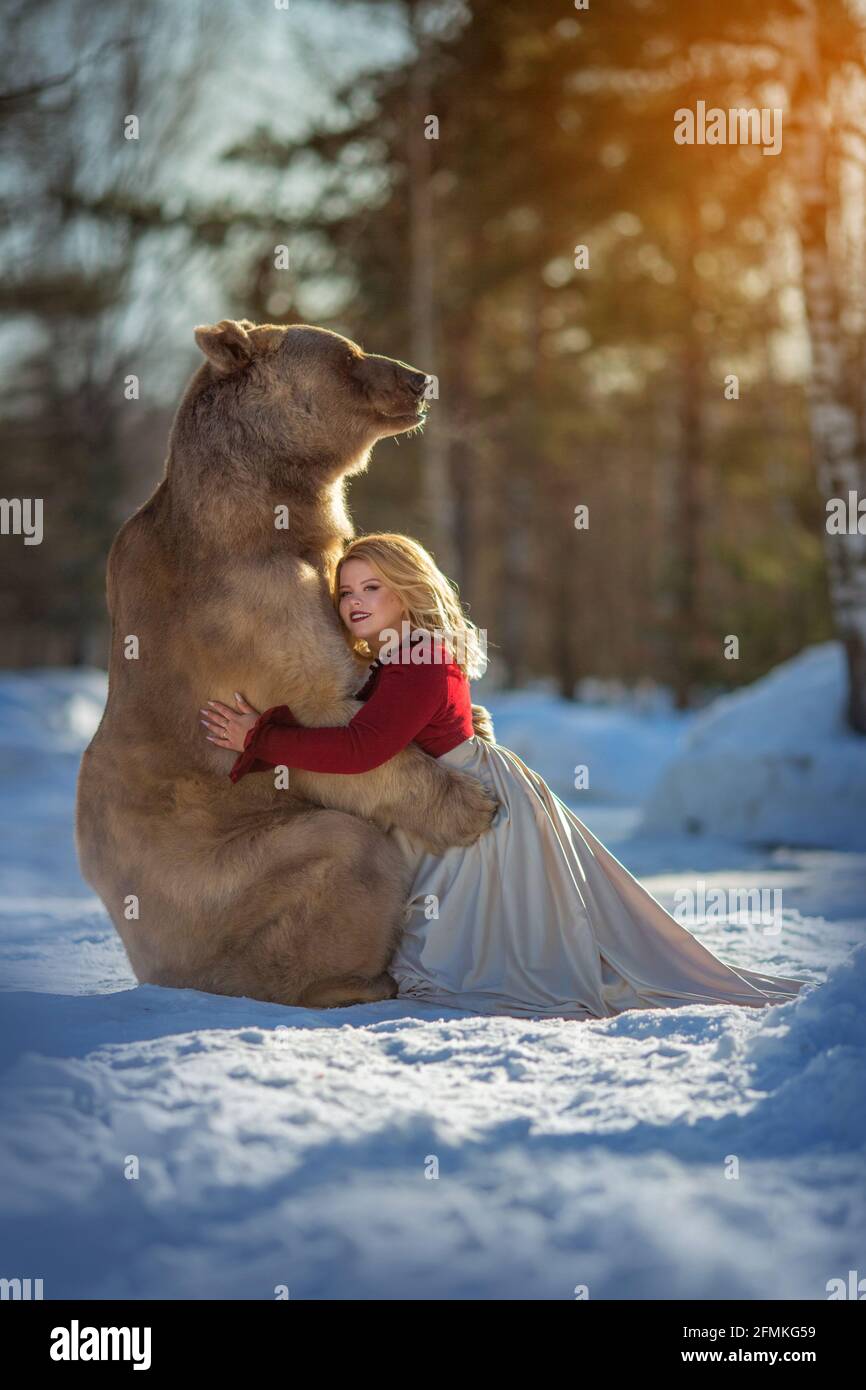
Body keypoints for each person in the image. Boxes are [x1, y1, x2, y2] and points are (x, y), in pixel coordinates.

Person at [200, 533, 809, 1022]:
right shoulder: (399, 655)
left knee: (470, 958)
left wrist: (262, 739)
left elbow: (365, 749)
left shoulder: (418, 655)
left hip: (465, 808)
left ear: (408, 592)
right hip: (444, 796)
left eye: (373, 587)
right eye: (345, 591)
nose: (354, 601)